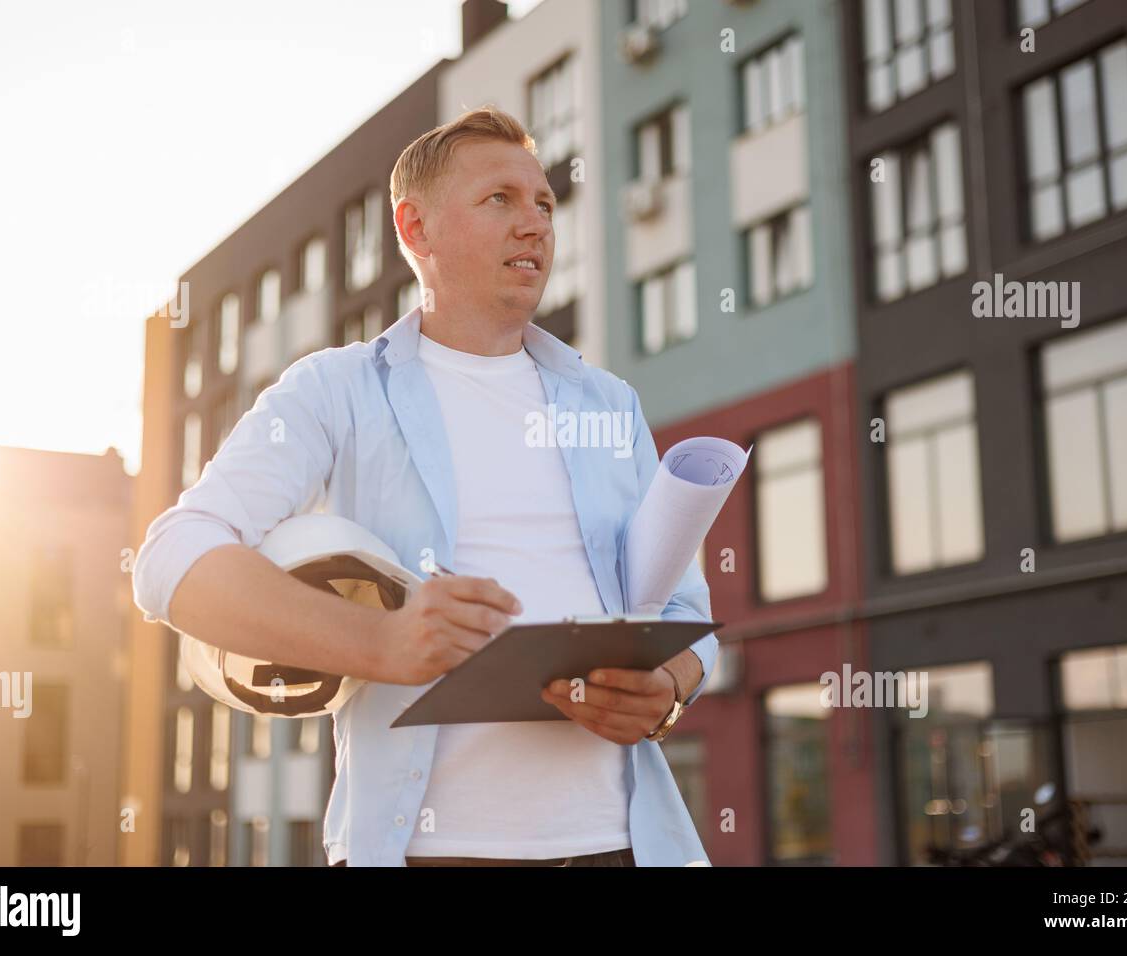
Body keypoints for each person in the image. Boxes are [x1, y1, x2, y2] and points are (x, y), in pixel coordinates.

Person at [132, 106, 718, 867]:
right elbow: (170, 559)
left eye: (544, 203)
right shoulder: (334, 391)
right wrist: (381, 642)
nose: (536, 224)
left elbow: (689, 618)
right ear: (415, 230)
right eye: (499, 199)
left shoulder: (610, 403)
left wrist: (668, 685)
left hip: (623, 847)